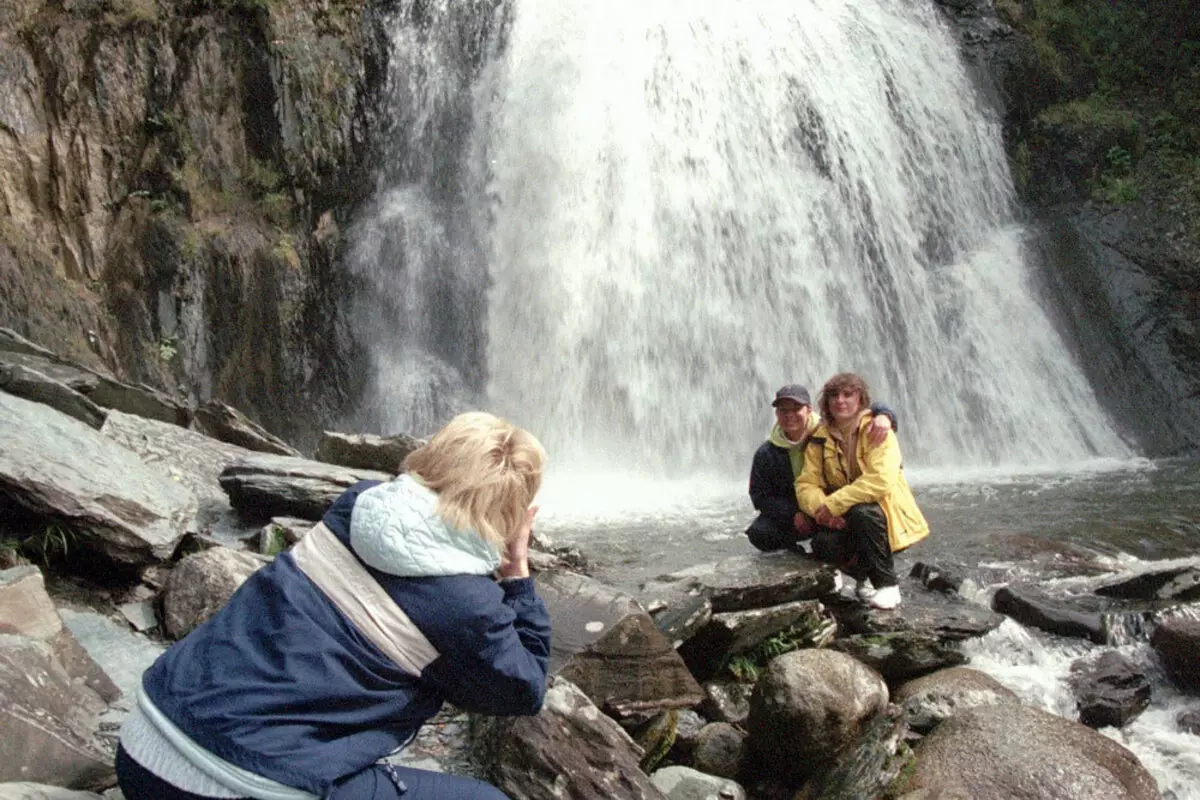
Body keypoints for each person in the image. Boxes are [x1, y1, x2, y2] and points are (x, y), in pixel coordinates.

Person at [114, 412, 550, 800]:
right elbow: (525, 687)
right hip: (232, 784)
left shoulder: (359, 506)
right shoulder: (467, 607)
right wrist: (515, 567)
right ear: (510, 512)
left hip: (143, 746)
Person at [797, 373, 929, 610]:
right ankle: (863, 576)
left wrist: (834, 503)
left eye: (848, 394)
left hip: (885, 514)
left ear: (861, 399)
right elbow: (806, 483)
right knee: (823, 542)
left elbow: (880, 479)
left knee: (863, 512)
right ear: (826, 403)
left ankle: (887, 585)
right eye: (834, 395)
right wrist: (821, 509)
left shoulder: (878, 430)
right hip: (843, 515)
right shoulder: (819, 436)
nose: (840, 400)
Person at [746, 384, 896, 553]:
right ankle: (795, 557)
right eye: (783, 410)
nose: (790, 415)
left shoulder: (828, 432)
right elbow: (759, 496)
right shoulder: (766, 453)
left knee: (827, 543)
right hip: (798, 512)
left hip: (835, 507)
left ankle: (853, 559)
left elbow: (859, 413)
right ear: (776, 414)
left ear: (809, 409)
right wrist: (793, 514)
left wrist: (884, 414)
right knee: (760, 532)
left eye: (796, 408)